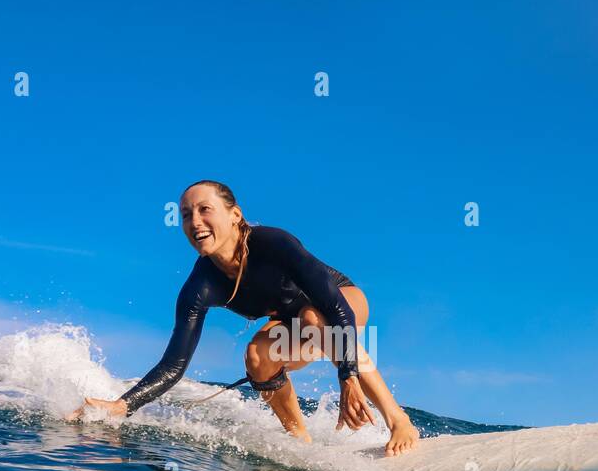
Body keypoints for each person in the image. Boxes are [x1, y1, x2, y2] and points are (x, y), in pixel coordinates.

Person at [69, 180, 420, 456]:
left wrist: (347, 377)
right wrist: (122, 405)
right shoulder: (200, 286)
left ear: (235, 215)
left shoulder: (274, 243)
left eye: (205, 209)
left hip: (341, 303)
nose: (195, 221)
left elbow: (335, 307)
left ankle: (398, 421)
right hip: (290, 325)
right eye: (186, 214)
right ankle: (301, 441)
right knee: (256, 357)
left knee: (315, 317)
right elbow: (174, 365)